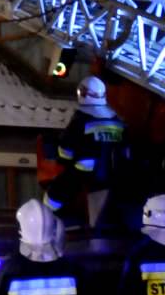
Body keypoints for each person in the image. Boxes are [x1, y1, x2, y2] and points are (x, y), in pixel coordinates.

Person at [45, 76, 126, 228]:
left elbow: (66, 151)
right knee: (101, 219)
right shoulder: (116, 119)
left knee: (55, 194)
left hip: (85, 173)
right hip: (115, 176)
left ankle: (47, 221)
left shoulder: (81, 119)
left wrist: (58, 155)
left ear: (83, 94)